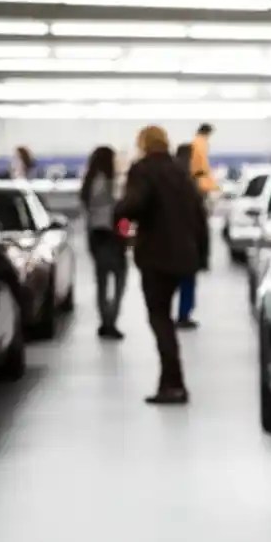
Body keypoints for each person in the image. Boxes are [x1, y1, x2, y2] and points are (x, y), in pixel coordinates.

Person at [116, 126, 209, 405]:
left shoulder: (142, 169)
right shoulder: (181, 170)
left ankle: (173, 384)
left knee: (160, 319)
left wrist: (118, 211)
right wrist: (202, 255)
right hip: (184, 255)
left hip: (156, 256)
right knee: (165, 319)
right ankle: (171, 382)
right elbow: (198, 214)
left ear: (143, 143)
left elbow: (135, 204)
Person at [80, 146, 128, 340]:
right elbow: (121, 210)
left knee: (101, 280)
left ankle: (104, 321)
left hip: (94, 234)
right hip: (111, 235)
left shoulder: (89, 182)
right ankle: (111, 321)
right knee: (119, 278)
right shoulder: (109, 183)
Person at [174, 143, 199, 330]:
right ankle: (183, 314)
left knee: (177, 279)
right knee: (186, 279)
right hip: (185, 238)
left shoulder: (171, 177)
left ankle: (182, 313)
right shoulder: (186, 180)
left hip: (175, 238)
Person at [189, 123, 217, 198]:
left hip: (195, 176)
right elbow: (203, 161)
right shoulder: (201, 142)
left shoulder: (195, 141)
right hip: (200, 177)